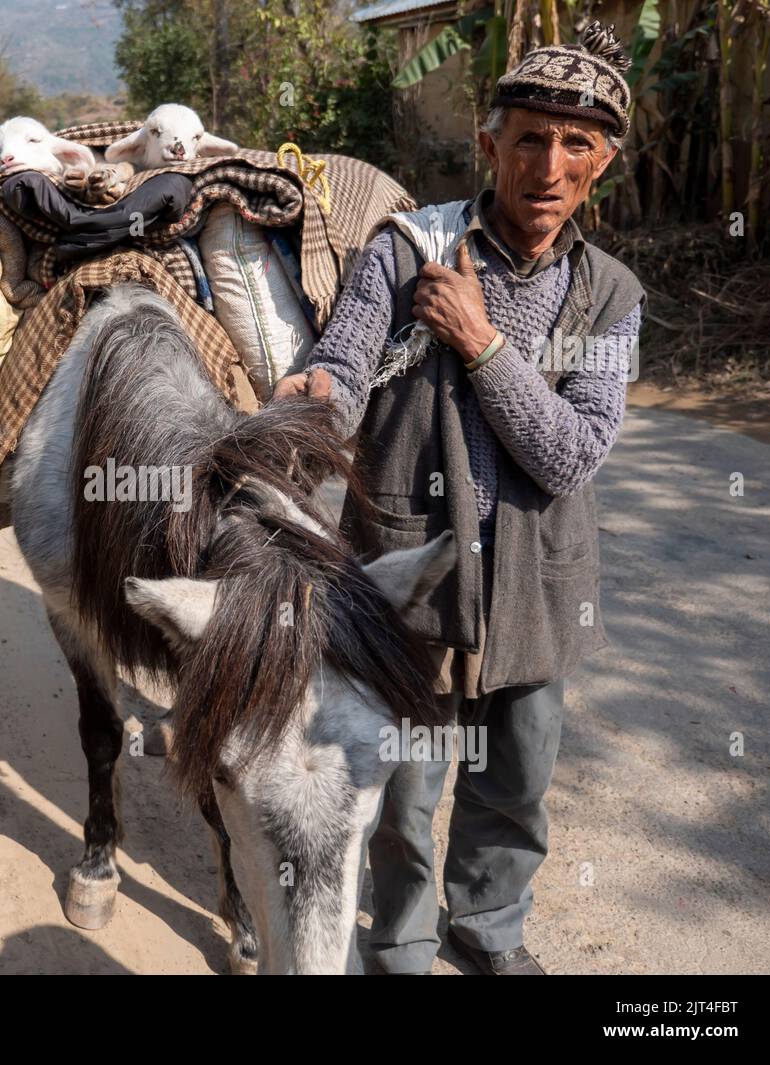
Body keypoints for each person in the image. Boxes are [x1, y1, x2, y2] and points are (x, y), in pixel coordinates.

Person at [274, 22, 644, 975]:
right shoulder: (406, 252)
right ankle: (399, 946)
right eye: (529, 137)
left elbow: (571, 456)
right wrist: (316, 399)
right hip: (410, 580)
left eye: (577, 145)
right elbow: (347, 358)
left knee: (514, 788)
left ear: (601, 166)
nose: (549, 165)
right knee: (404, 795)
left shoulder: (611, 298)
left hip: (535, 583)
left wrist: (481, 343)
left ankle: (489, 936)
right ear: (489, 147)